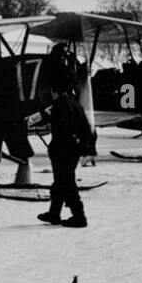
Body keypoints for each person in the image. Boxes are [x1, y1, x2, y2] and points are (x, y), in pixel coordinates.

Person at [38, 84, 93, 227]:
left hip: (62, 149)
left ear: (54, 91)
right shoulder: (75, 105)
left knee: (67, 182)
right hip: (73, 149)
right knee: (60, 182)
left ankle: (79, 216)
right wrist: (83, 146)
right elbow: (86, 127)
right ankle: (54, 213)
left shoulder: (59, 106)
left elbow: (60, 128)